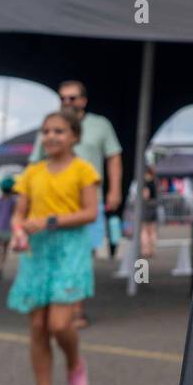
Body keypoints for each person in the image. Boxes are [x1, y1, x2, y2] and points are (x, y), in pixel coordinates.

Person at [8, 108, 100, 385]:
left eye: (59, 131)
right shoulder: (32, 173)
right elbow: (19, 213)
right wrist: (18, 232)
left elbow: (90, 213)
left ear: (74, 136)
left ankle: (75, 364)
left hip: (69, 250)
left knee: (60, 324)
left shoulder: (84, 171)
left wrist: (50, 221)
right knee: (37, 326)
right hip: (37, 253)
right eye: (46, 131)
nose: (51, 136)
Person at [29, 80, 122, 328]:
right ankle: (61, 306)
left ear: (83, 100)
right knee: (57, 255)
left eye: (72, 98)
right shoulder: (52, 127)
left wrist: (115, 190)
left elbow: (113, 157)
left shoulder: (100, 125)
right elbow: (34, 163)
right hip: (53, 203)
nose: (67, 102)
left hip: (88, 203)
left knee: (80, 255)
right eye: (63, 99)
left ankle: (75, 309)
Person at [140, 164, 160, 258]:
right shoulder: (155, 181)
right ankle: (152, 249)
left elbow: (145, 195)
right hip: (154, 206)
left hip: (146, 207)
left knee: (144, 229)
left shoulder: (146, 182)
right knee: (152, 230)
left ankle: (145, 250)